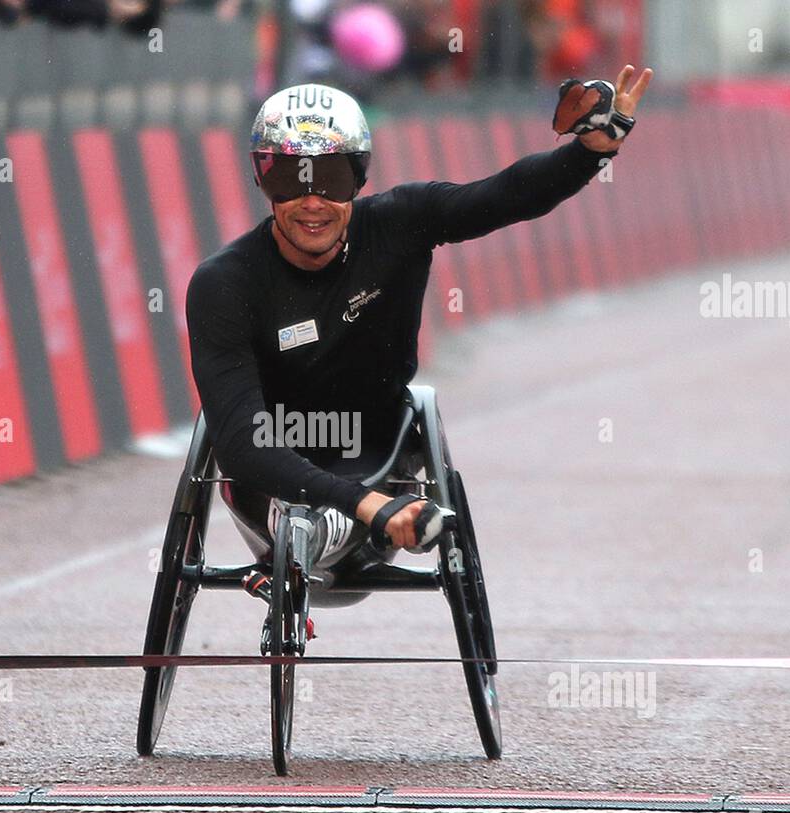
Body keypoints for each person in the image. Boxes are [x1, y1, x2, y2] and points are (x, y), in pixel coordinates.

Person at [185, 68, 652, 586]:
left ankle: (319, 529)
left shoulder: (402, 221)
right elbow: (243, 443)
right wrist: (367, 507)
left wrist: (589, 153)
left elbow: (504, 196)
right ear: (262, 178)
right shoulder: (223, 283)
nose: (312, 202)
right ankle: (309, 528)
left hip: (376, 446)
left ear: (359, 178)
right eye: (292, 179)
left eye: (332, 178)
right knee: (286, 490)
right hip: (271, 454)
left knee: (331, 505)